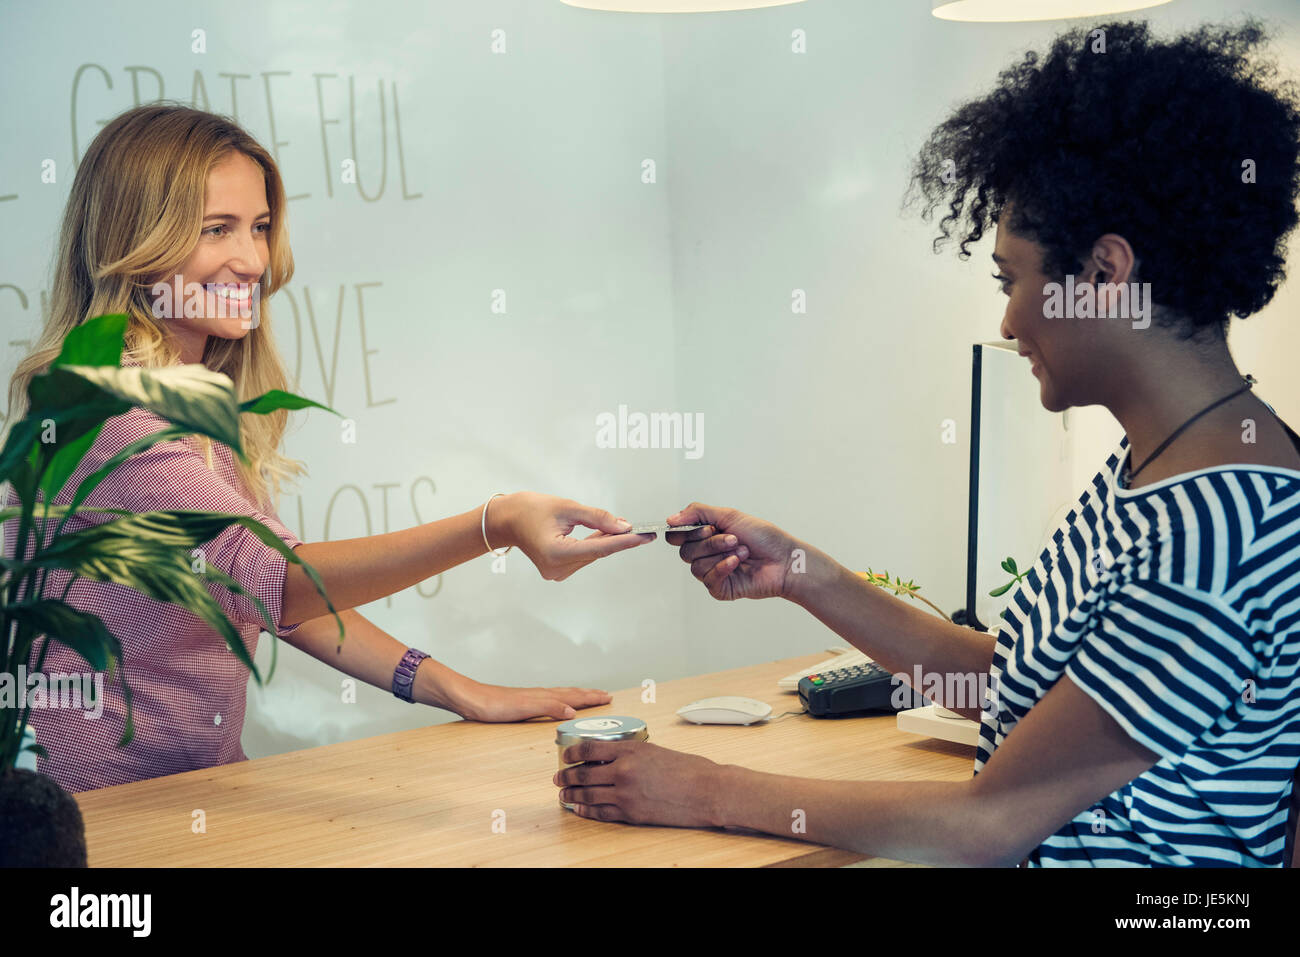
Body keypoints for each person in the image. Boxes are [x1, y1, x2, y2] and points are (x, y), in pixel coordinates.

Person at [553, 19, 1300, 867]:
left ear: (1104, 274)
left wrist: (706, 789)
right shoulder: (1166, 471)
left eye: (1011, 278)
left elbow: (992, 820)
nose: (1008, 321)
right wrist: (803, 574)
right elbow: (1005, 687)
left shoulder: (1213, 534)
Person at [3, 103, 654, 793]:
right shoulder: (101, 404)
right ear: (136, 242)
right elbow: (279, 582)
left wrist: (458, 689)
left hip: (199, 787)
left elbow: (260, 593)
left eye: (258, 228)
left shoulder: (196, 402)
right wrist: (495, 523)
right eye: (215, 230)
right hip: (96, 814)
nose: (253, 260)